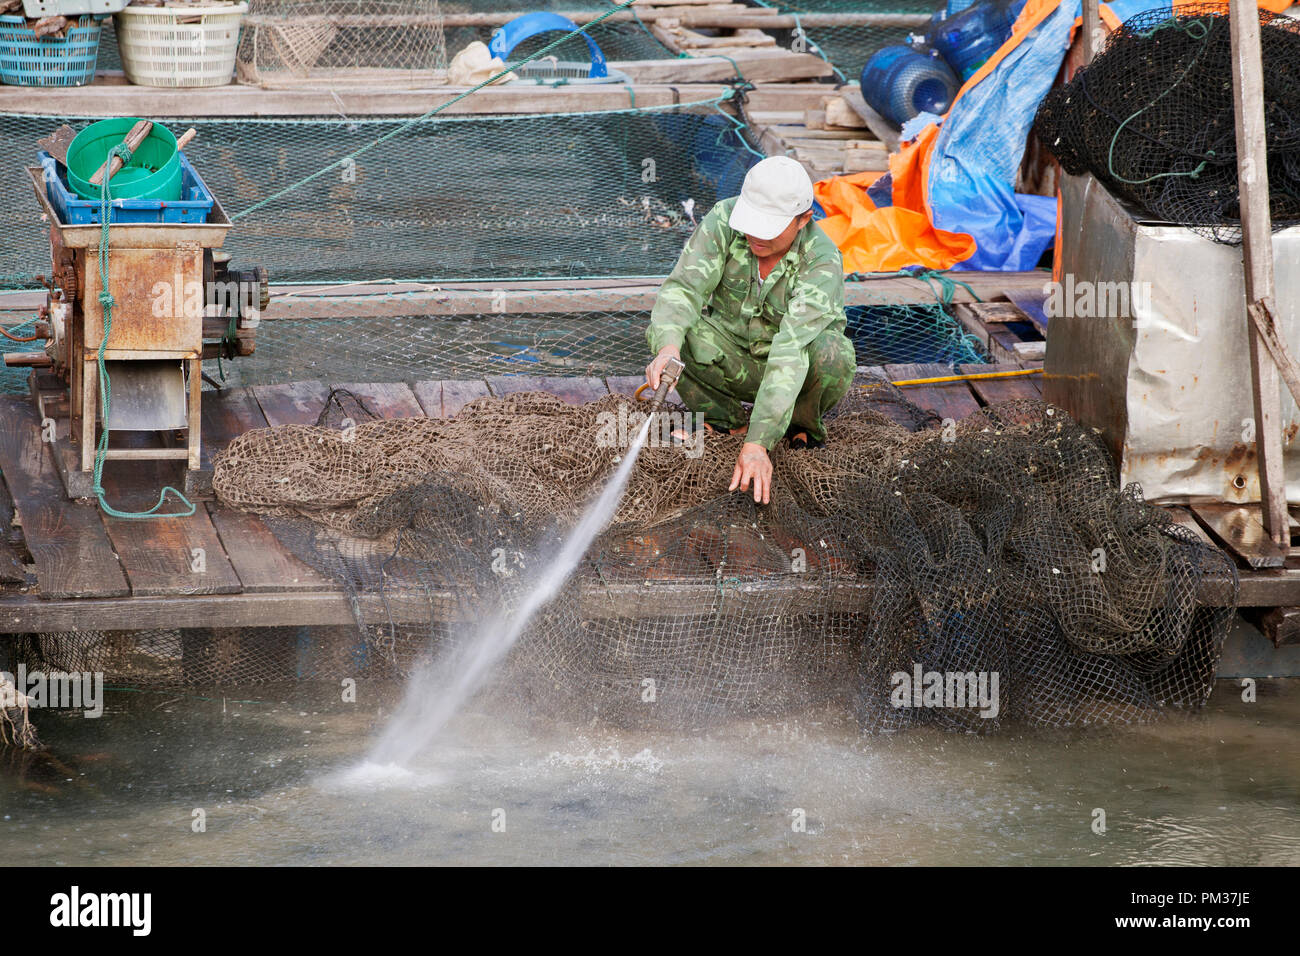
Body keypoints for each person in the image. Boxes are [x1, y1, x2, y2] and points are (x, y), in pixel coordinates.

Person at [644, 156, 855, 504]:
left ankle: (799, 428)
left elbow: (790, 351)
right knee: (678, 331)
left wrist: (758, 445)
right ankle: (723, 420)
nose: (756, 235)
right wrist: (667, 348)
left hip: (793, 372)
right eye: (752, 221)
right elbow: (683, 289)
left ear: (804, 219)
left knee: (832, 353)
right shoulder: (723, 219)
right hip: (733, 354)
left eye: (769, 227)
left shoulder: (822, 260)